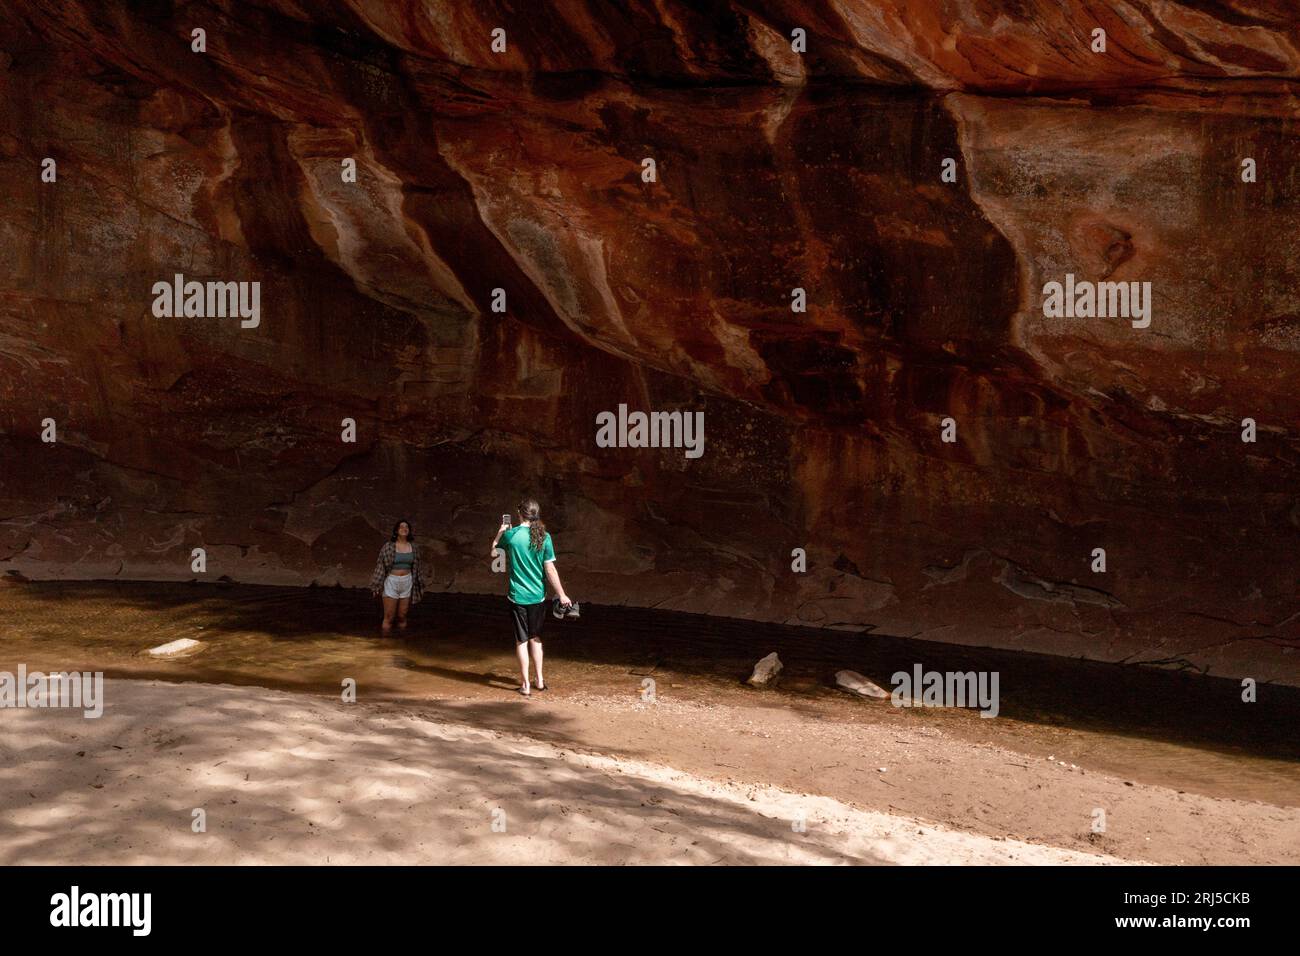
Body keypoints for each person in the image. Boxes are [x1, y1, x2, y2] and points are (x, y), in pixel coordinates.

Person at [490, 498, 572, 696]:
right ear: (537, 514)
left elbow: (494, 553)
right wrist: (561, 594)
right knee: (535, 638)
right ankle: (540, 681)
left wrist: (501, 532)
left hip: (517, 596)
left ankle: (526, 685)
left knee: (521, 640)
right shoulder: (545, 536)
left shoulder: (512, 535)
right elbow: (550, 568)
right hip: (537, 596)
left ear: (519, 513)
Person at [369, 519, 424, 635]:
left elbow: (417, 568)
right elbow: (380, 566)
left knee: (402, 616)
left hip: (407, 582)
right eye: (401, 527)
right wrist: (376, 585)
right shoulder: (388, 546)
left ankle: (401, 643)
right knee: (389, 617)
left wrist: (419, 585)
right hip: (392, 581)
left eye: (406, 527)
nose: (404, 529)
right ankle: (385, 646)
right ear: (396, 531)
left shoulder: (414, 548)